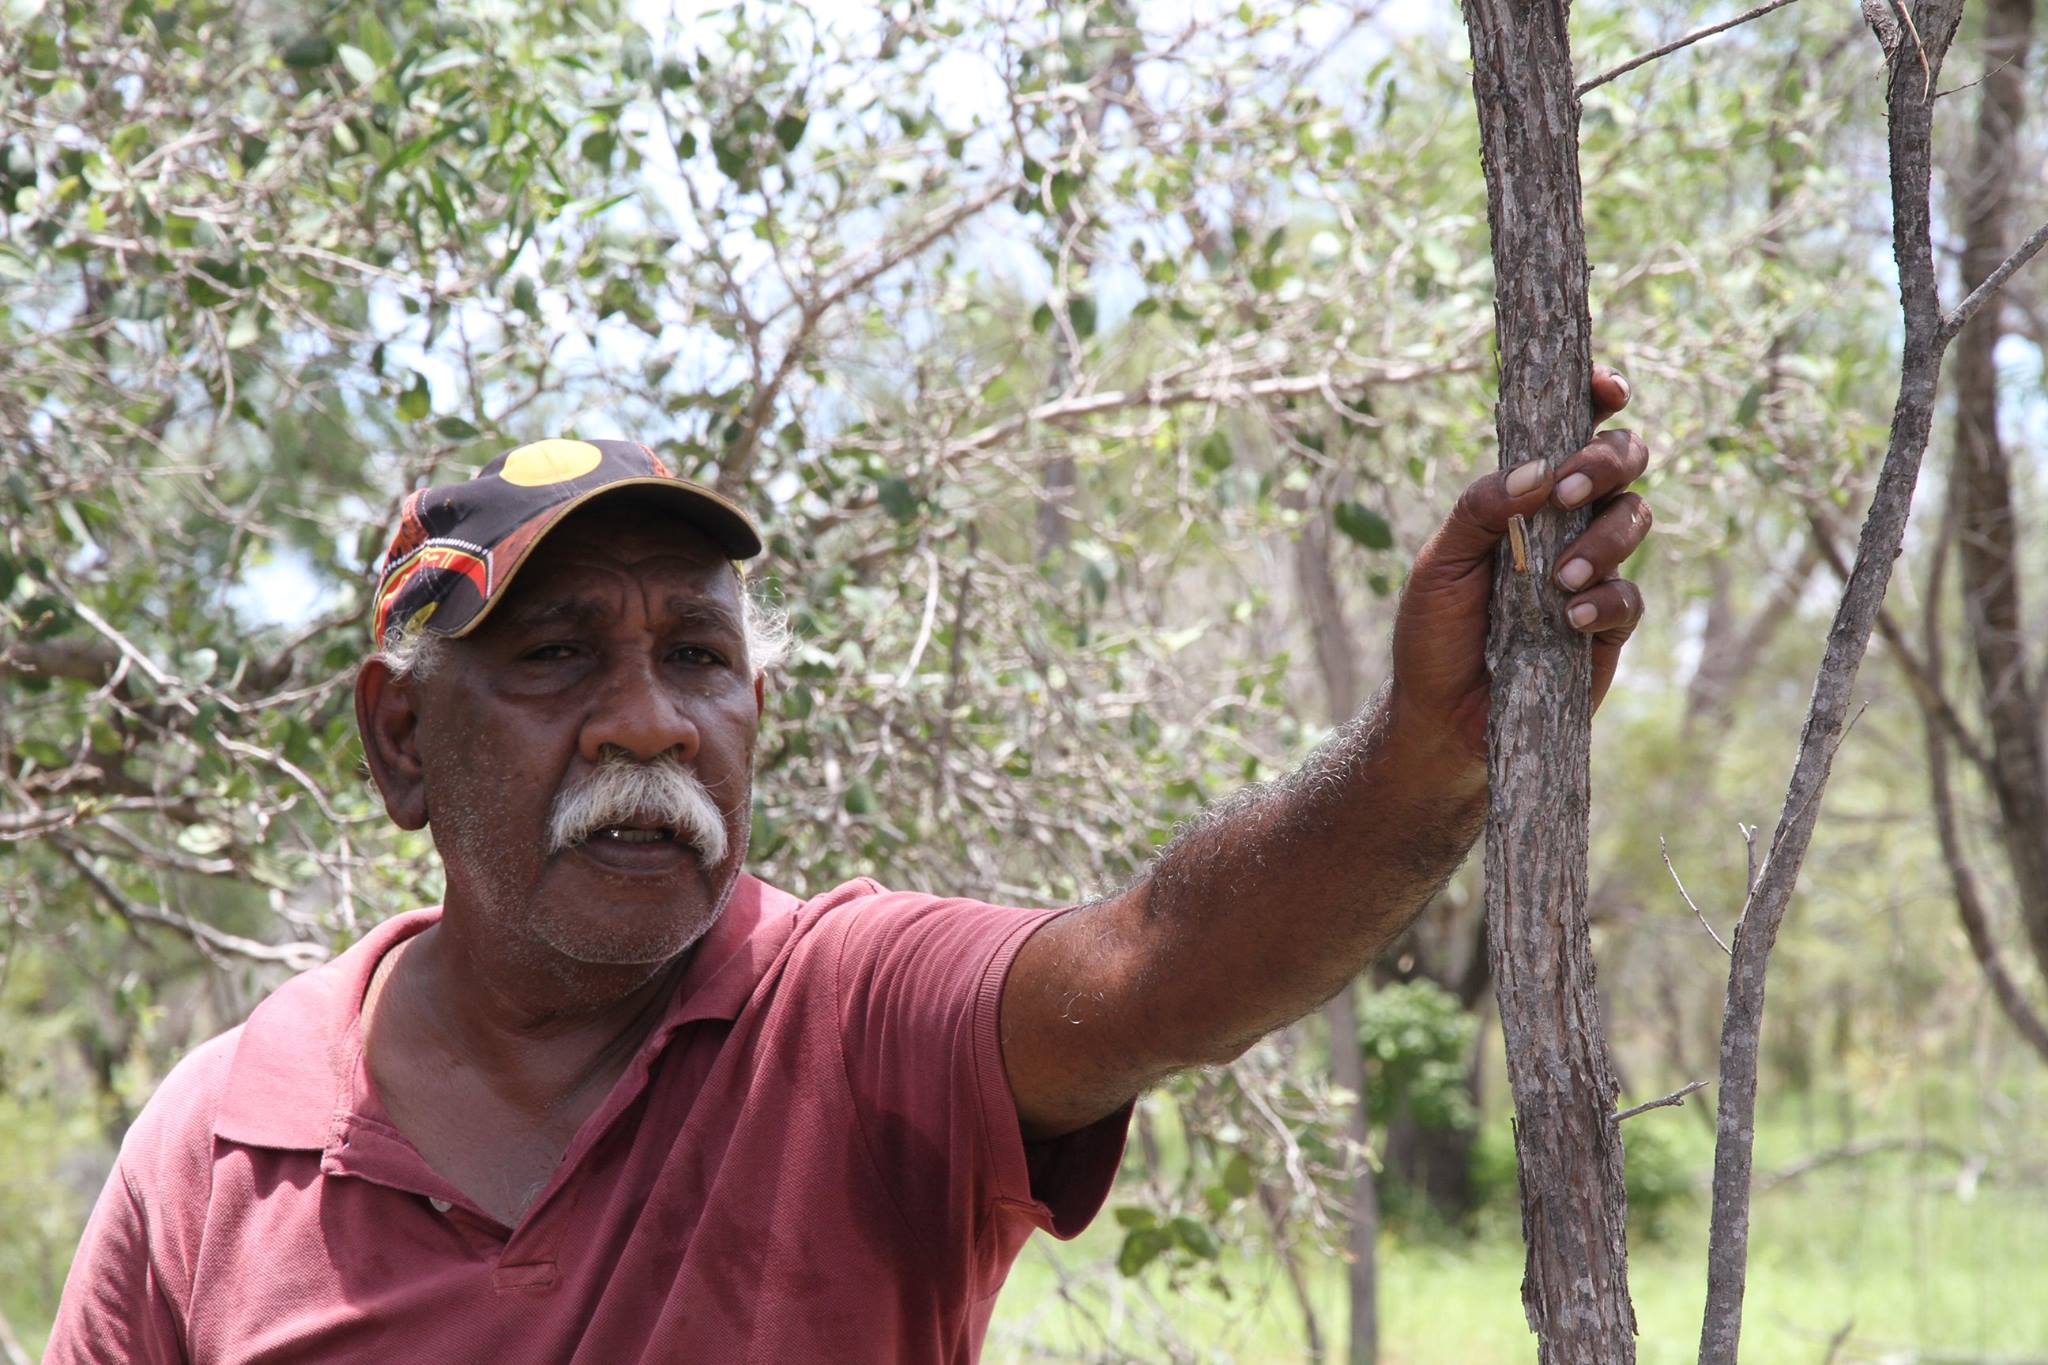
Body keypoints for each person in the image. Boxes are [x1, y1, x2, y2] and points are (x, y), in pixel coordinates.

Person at [45, 370, 1649, 1363]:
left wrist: (1432, 752)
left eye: (696, 653)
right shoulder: (221, 1150)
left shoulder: (850, 1016)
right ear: (400, 740)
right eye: (552, 658)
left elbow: (1162, 964)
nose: (647, 724)